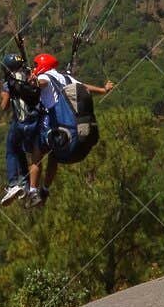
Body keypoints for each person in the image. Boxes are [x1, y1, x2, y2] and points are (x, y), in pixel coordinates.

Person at [26, 52, 113, 206]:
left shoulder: (45, 76)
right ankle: (45, 189)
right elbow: (84, 88)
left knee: (37, 150)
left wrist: (34, 83)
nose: (34, 68)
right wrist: (103, 90)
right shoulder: (67, 78)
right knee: (54, 154)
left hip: (62, 133)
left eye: (35, 65)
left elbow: (42, 83)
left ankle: (33, 191)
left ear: (42, 66)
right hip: (77, 143)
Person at [0, 53, 42, 207]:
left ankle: (13, 184)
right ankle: (25, 184)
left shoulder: (8, 82)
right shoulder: (29, 75)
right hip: (36, 122)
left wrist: (6, 96)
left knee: (11, 149)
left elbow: (4, 106)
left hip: (21, 123)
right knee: (22, 150)